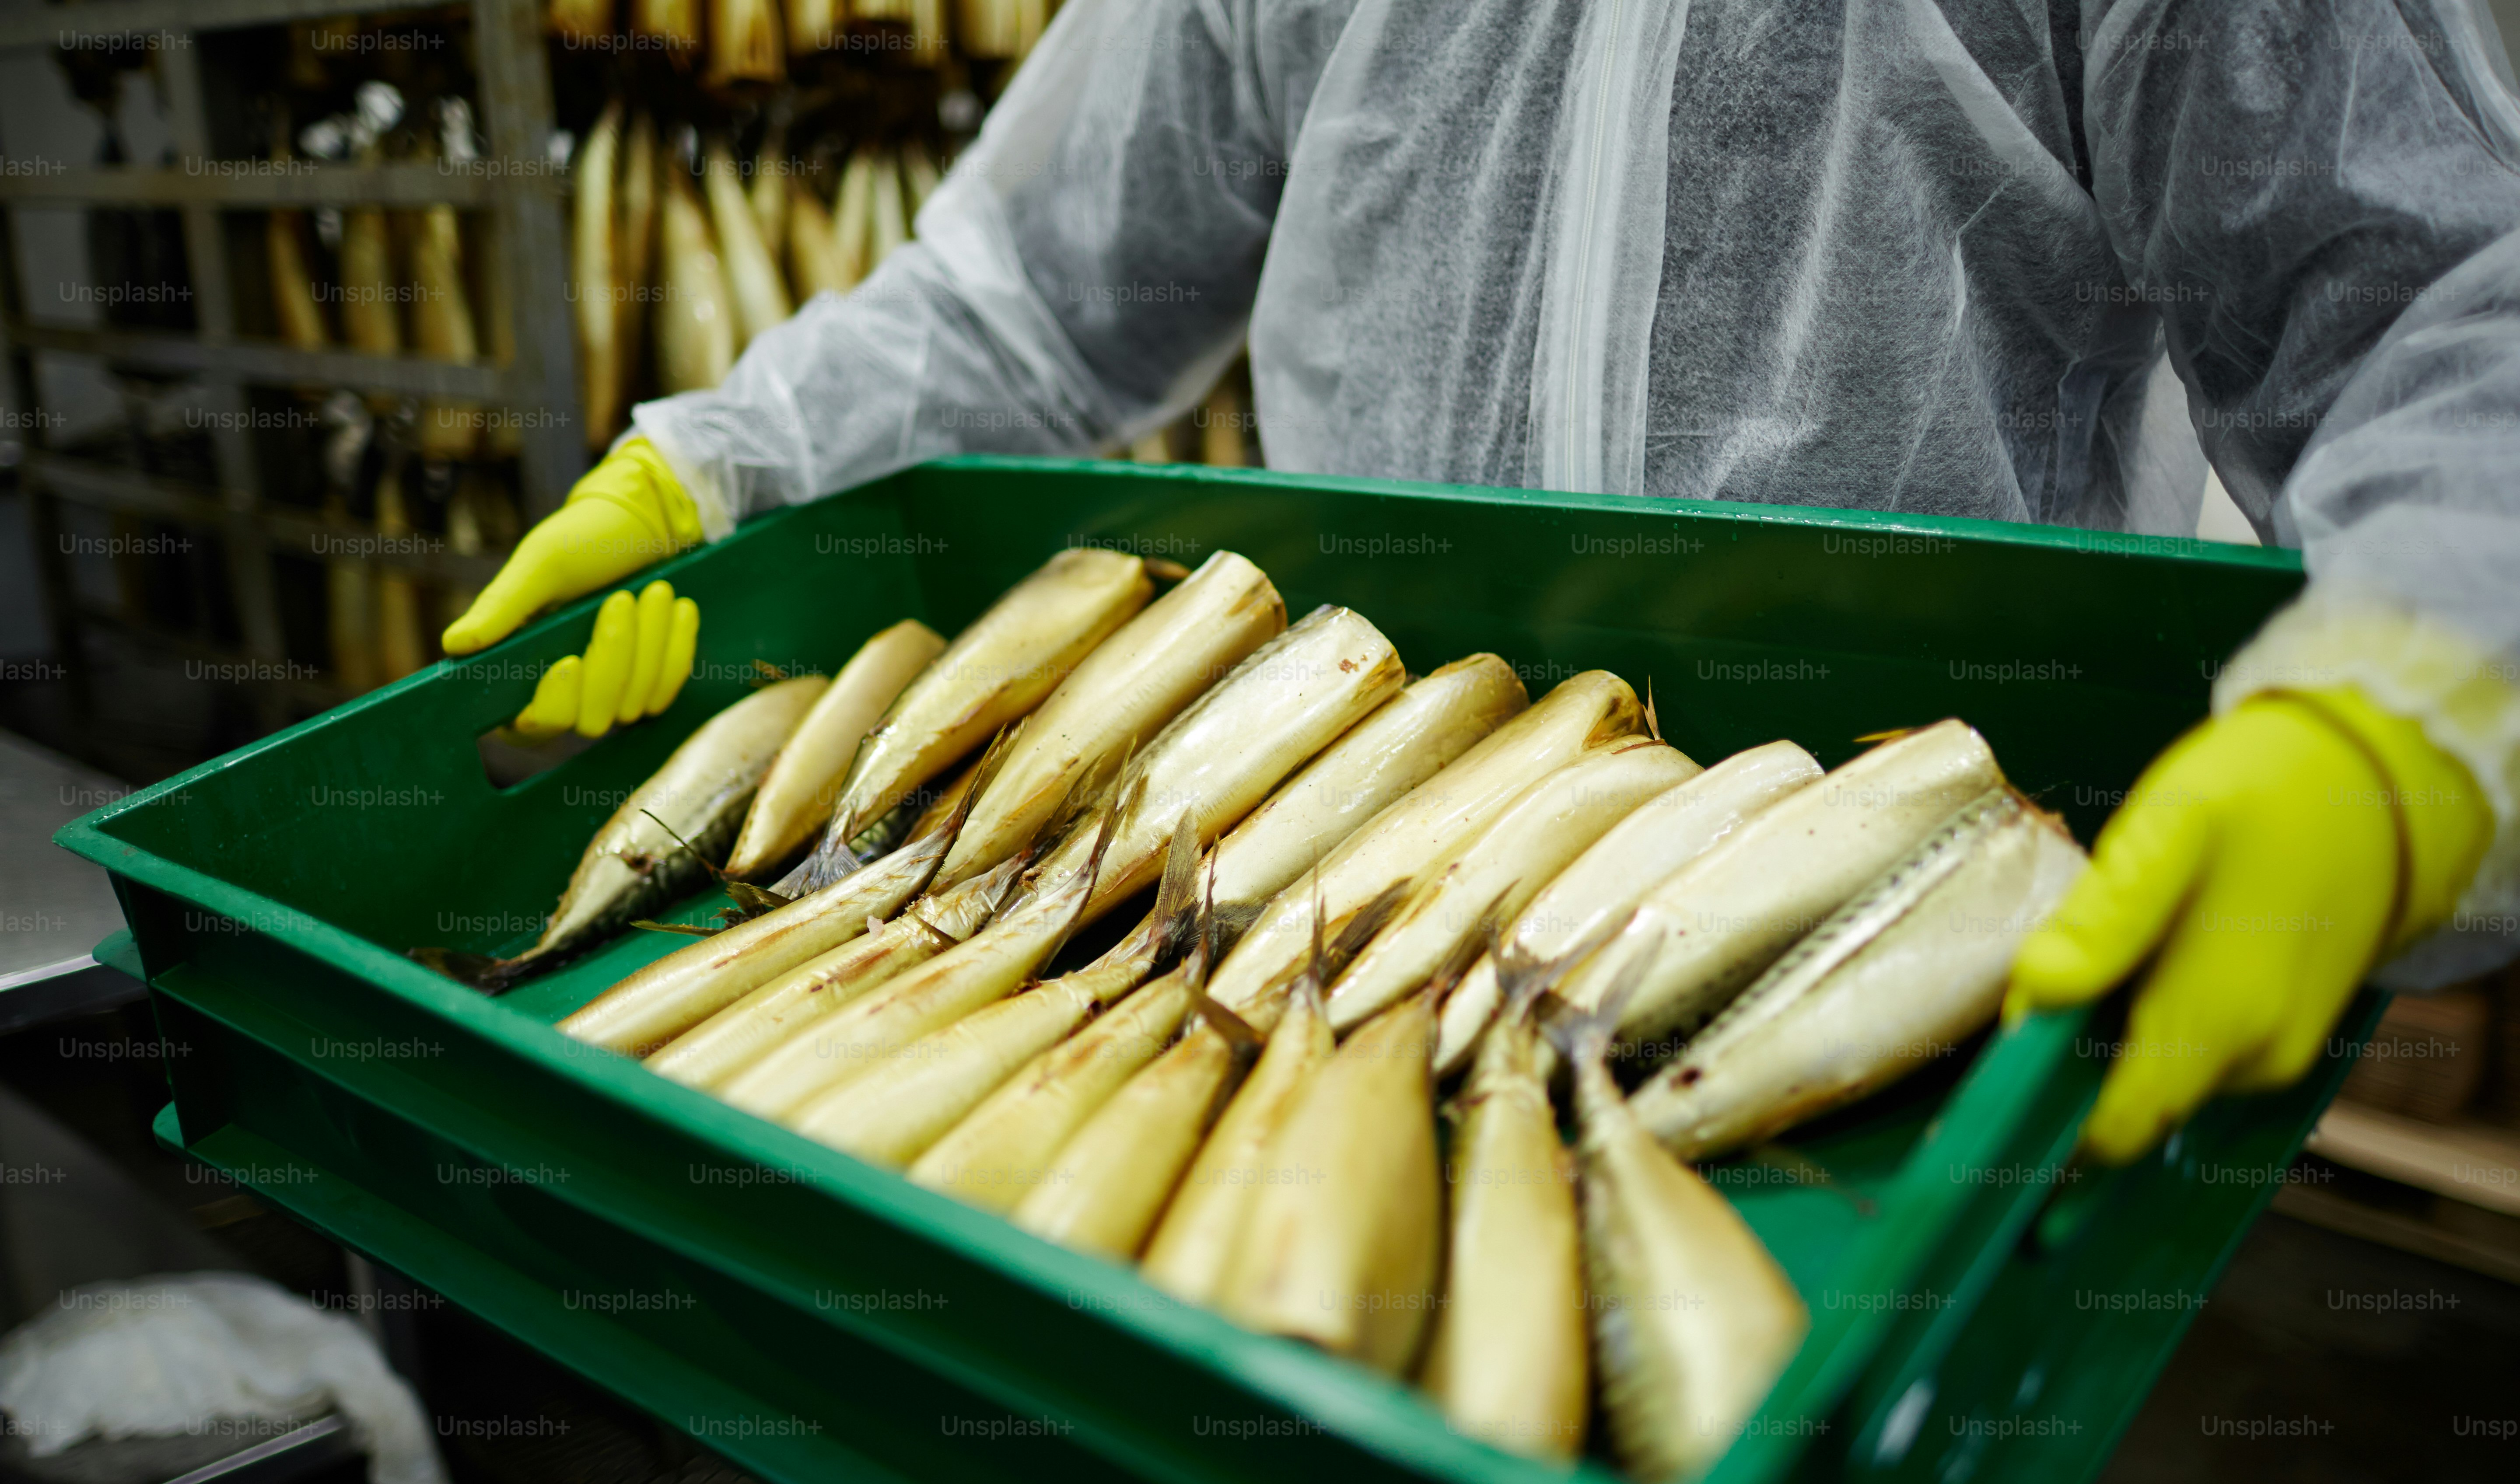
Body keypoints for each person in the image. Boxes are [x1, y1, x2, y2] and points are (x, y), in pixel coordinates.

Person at [447, 0, 2520, 1167]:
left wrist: (2412, 708)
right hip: (1299, 851)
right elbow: (1032, 286)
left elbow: (2458, 312)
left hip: (1879, 925)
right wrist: (735, 462)